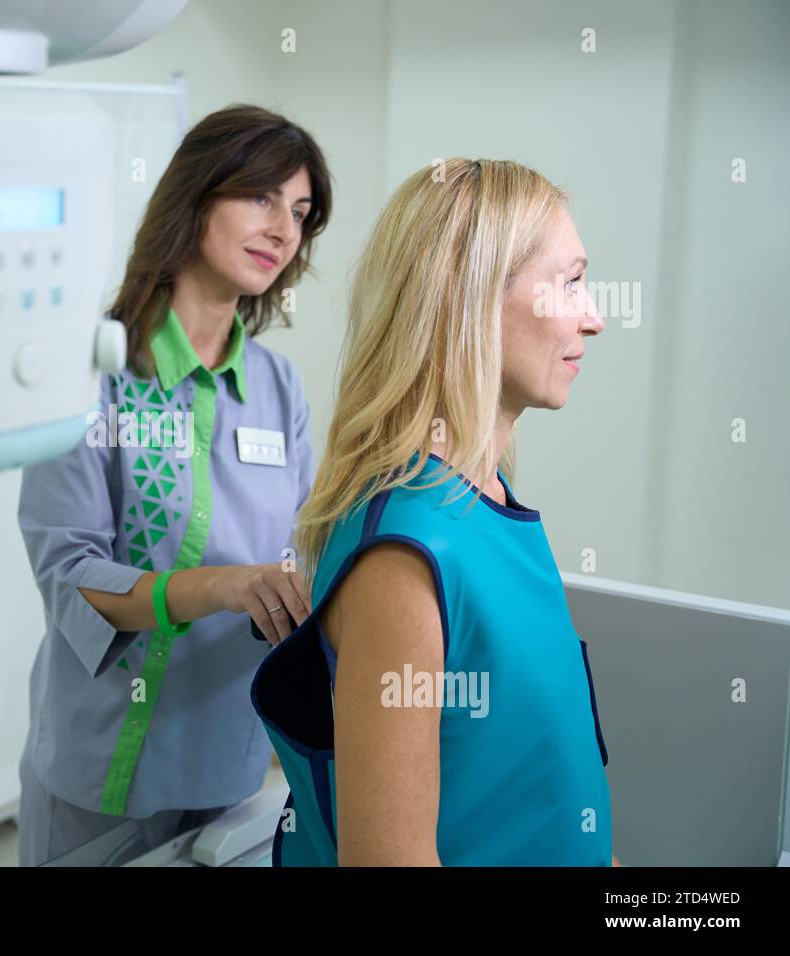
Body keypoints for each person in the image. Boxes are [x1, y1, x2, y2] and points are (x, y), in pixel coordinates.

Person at [253, 158, 620, 866]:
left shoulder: (493, 507)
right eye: (569, 283)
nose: (594, 317)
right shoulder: (405, 555)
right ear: (471, 300)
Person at [15, 104, 332, 866]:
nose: (284, 230)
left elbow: (302, 549)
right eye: (261, 197)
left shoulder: (278, 387)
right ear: (196, 195)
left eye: (301, 212)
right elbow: (72, 580)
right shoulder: (93, 370)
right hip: (103, 768)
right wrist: (221, 586)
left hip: (230, 760)